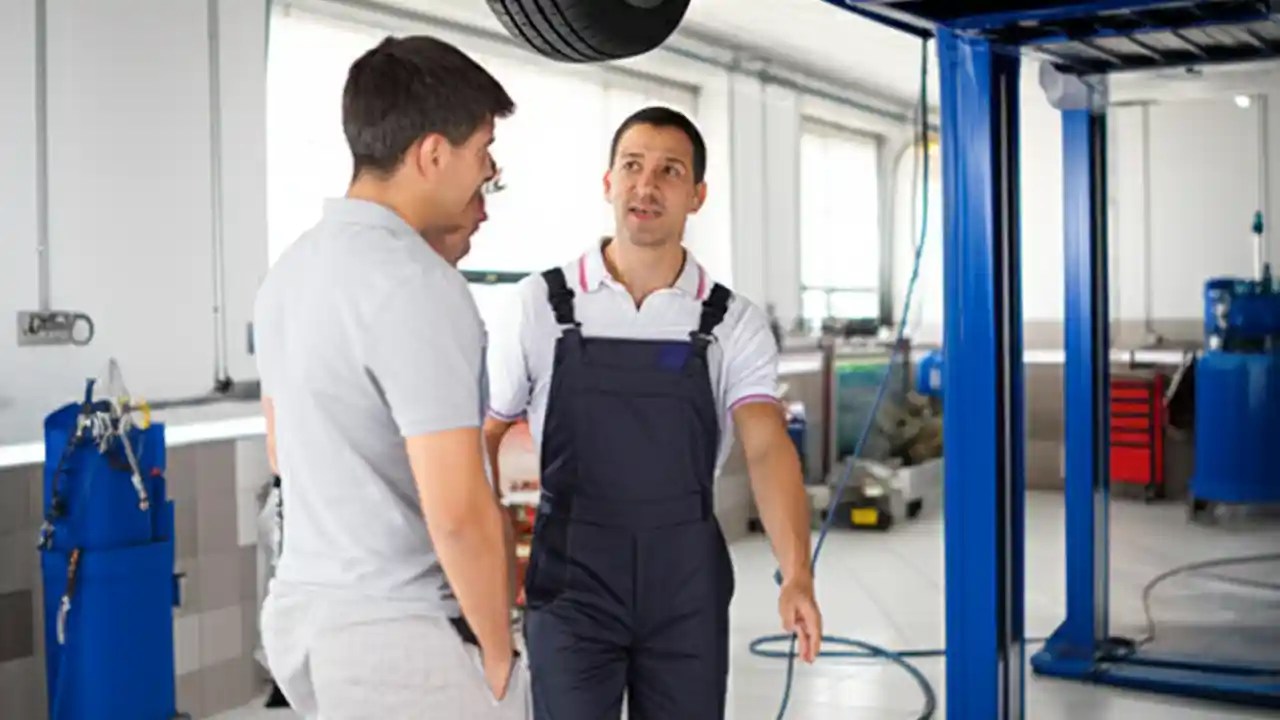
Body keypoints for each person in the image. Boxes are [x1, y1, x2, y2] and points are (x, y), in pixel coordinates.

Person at [483, 106, 823, 719]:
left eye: (670, 171)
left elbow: (768, 445)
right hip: (571, 578)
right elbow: (486, 434)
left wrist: (796, 572)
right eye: (633, 166)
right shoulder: (543, 305)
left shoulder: (730, 321)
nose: (647, 185)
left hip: (685, 580)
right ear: (607, 182)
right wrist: (479, 561)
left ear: (696, 196)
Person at [252, 35, 529, 719]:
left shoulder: (292, 270)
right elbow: (460, 511)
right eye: (481, 154)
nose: (486, 173)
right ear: (433, 154)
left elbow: (281, 450)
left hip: (305, 615)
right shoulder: (415, 283)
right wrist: (498, 652)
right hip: (401, 635)